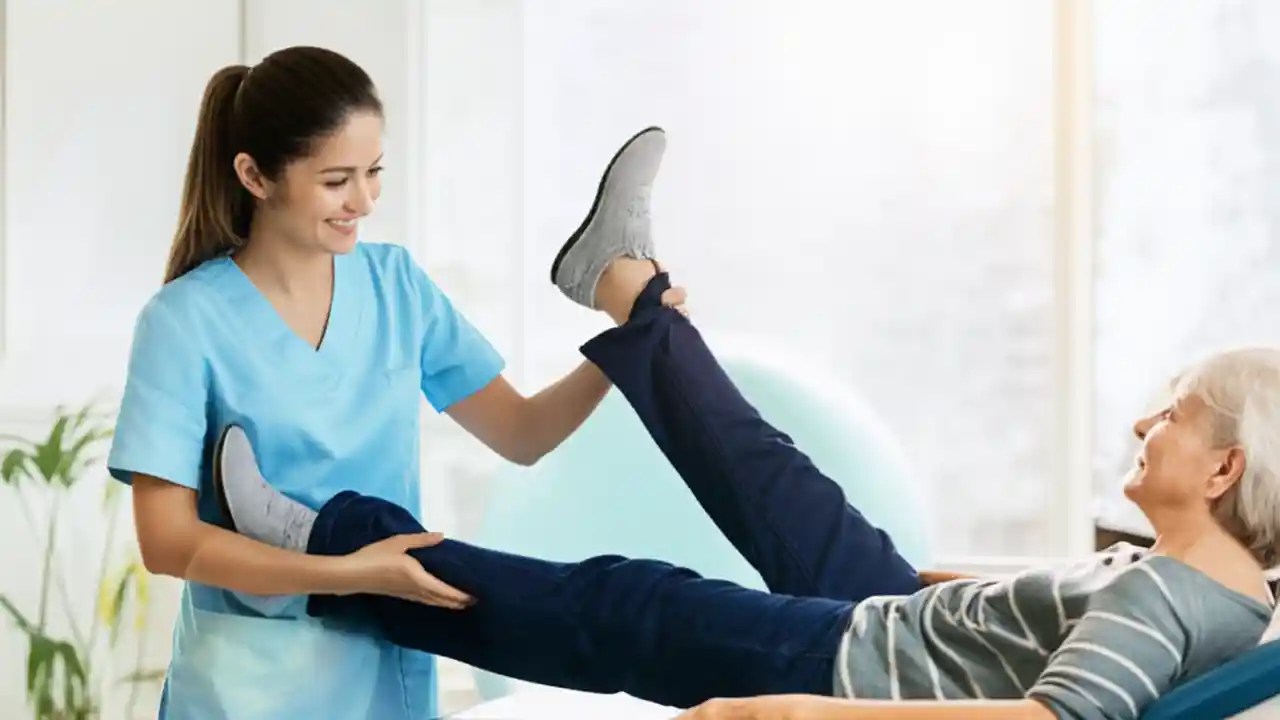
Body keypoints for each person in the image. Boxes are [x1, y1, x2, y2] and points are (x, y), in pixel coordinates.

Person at [213, 126, 1280, 720]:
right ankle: (624, 284)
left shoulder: (1171, 600)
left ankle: (322, 540)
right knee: (770, 475)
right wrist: (918, 576)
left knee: (622, 603)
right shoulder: (1203, 587)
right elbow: (1034, 627)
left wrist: (790, 714)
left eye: (1174, 415)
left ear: (1224, 466)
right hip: (898, 621)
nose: (1145, 420)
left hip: (851, 667)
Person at [106, 46, 671, 720]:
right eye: (336, 179)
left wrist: (626, 343)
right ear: (255, 175)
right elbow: (169, 542)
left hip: (383, 663)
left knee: (598, 602)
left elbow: (522, 433)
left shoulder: (395, 286)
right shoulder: (184, 322)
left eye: (374, 173)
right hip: (249, 687)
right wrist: (350, 573)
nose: (365, 201)